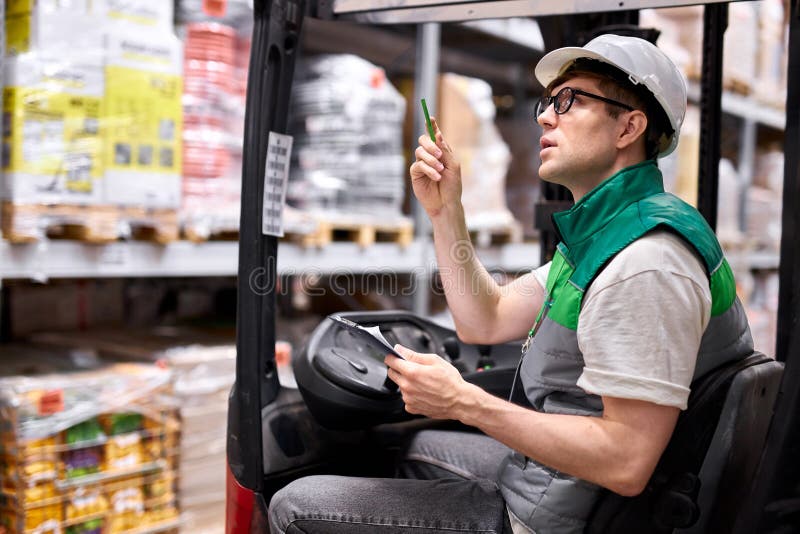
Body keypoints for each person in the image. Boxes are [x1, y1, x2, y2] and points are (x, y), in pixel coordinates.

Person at [268, 34, 753, 534]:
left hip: (559, 518)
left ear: (629, 126)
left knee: (294, 504)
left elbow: (625, 463)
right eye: (549, 102)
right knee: (412, 446)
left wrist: (463, 402)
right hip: (558, 485)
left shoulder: (645, 264)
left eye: (571, 101)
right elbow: (487, 317)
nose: (545, 116)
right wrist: (445, 212)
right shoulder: (606, 238)